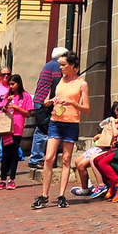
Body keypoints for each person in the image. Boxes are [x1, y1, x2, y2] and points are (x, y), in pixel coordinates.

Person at [32, 51, 87, 211]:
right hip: (56, 121)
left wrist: (72, 103)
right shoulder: (58, 81)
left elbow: (87, 108)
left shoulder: (81, 83)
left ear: (73, 66)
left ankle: (62, 194)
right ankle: (44, 195)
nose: (60, 67)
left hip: (71, 123)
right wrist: (49, 102)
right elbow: (50, 98)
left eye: (63, 65)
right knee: (49, 158)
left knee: (66, 159)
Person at [27, 46, 68, 170]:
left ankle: (40, 156)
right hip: (45, 102)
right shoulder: (56, 66)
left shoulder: (49, 65)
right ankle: (36, 158)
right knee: (43, 129)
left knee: (42, 128)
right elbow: (57, 83)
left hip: (40, 100)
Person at [0, 74, 32, 190]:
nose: (10, 87)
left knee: (14, 153)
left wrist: (16, 107)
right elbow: (1, 110)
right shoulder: (7, 95)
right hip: (6, 128)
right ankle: (2, 179)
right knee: (5, 153)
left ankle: (12, 179)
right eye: (9, 84)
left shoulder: (25, 96)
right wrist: (6, 103)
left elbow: (28, 113)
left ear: (18, 84)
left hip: (17, 128)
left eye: (13, 84)